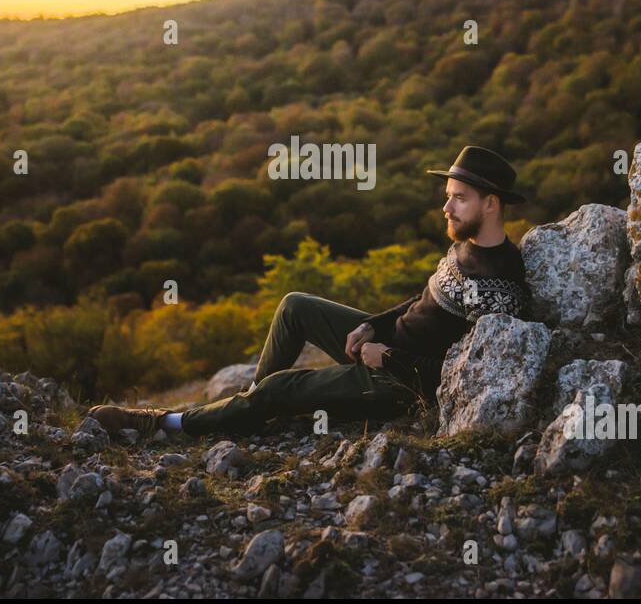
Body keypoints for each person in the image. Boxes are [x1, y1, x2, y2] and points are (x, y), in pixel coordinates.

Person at [88, 145, 532, 438]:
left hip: (396, 383)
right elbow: (422, 303)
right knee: (295, 305)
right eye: (448, 195)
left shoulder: (503, 288)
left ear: (491, 203)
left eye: (459, 198)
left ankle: (164, 424)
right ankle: (252, 408)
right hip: (386, 347)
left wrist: (389, 358)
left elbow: (465, 374)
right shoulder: (464, 244)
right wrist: (370, 326)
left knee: (283, 386)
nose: (445, 206)